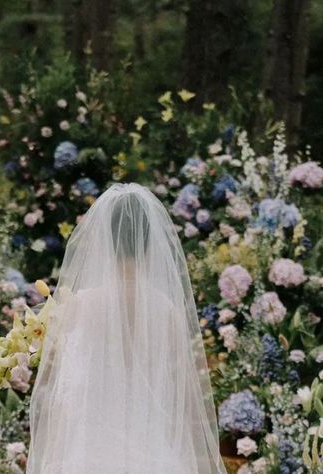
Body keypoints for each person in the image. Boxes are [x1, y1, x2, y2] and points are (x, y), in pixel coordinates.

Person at [27, 183, 226, 474]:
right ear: (149, 241)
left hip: (88, 455)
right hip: (153, 455)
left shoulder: (80, 306)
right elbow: (181, 398)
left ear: (105, 236)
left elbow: (66, 391)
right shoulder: (167, 311)